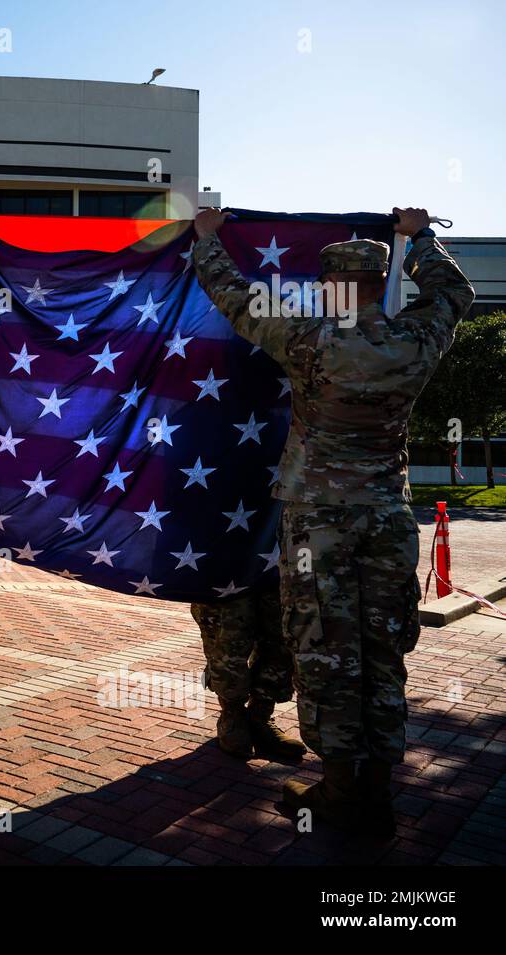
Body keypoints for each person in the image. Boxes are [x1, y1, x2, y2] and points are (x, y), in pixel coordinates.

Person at [192, 207, 474, 836]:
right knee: (382, 651)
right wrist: (416, 238)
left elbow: (232, 298)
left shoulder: (305, 338)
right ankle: (377, 788)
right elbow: (455, 291)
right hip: (387, 518)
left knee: (325, 648)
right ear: (379, 283)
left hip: (317, 523)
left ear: (330, 286)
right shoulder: (415, 340)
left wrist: (207, 241)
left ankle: (340, 786)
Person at [191, 582, 305, 762]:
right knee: (227, 646)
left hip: (276, 568)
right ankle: (232, 719)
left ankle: (260, 717)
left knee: (280, 641)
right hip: (227, 571)